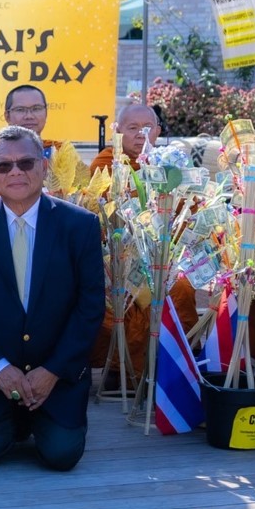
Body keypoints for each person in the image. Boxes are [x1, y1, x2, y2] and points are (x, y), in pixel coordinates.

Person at [0, 124, 105, 471]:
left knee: (62, 456)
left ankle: (48, 422)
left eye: (26, 163)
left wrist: (52, 371)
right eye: (4, 165)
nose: (15, 171)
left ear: (44, 167)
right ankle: (13, 422)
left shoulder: (81, 225)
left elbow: (90, 308)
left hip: (57, 377)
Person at [86, 102, 161, 378]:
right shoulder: (105, 165)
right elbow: (98, 222)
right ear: (117, 132)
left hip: (160, 260)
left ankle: (168, 362)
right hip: (115, 258)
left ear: (158, 131)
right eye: (132, 128)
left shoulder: (165, 165)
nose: (141, 134)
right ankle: (120, 367)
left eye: (147, 128)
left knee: (182, 291)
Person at [0, 85, 84, 206]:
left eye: (36, 108)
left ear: (46, 113)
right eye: (20, 110)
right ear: (7, 116)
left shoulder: (61, 151)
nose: (29, 116)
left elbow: (82, 197)